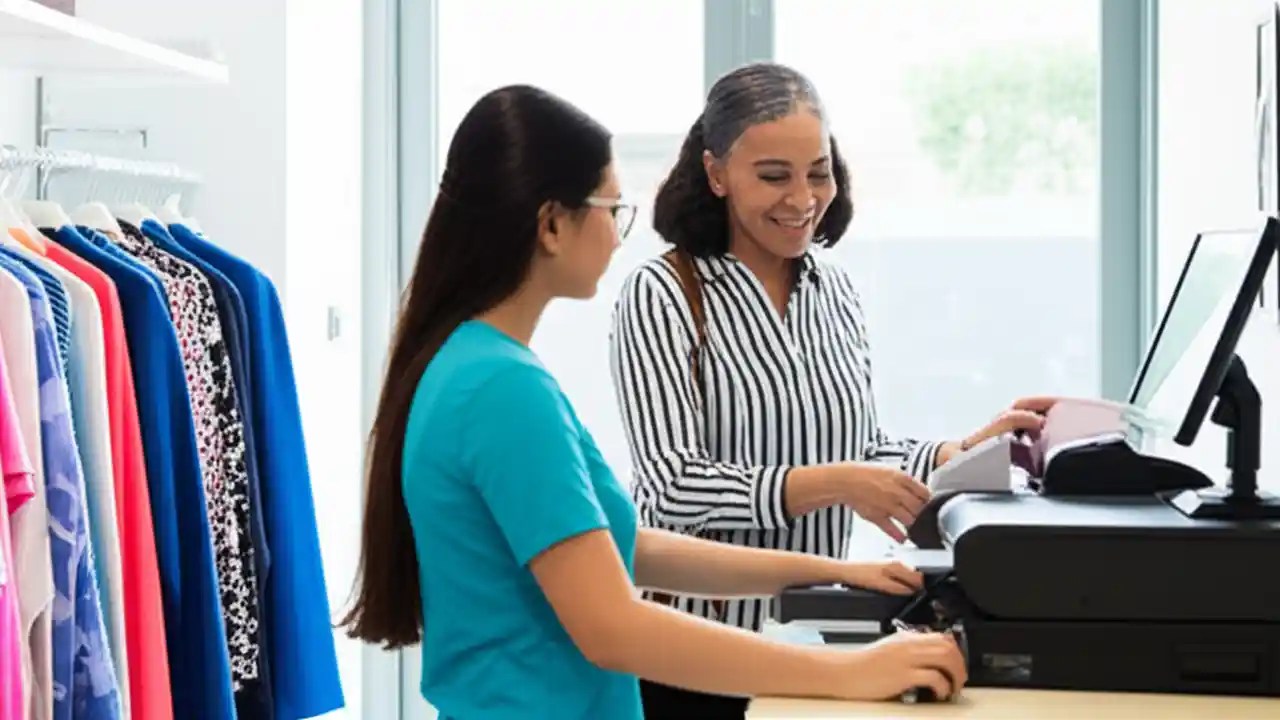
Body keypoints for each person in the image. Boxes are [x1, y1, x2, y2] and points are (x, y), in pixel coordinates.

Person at [341, 84, 967, 720]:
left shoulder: (470, 366)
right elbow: (614, 626)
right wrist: (848, 673)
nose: (618, 238)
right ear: (552, 224)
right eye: (613, 211)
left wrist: (824, 571)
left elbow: (622, 547)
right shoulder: (505, 389)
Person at [609, 61, 1054, 718]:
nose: (802, 198)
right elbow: (673, 487)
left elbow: (861, 446)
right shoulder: (663, 294)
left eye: (818, 172)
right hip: (696, 662)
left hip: (809, 648)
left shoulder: (836, 290)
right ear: (715, 174)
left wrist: (960, 449)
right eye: (773, 176)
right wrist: (835, 484)